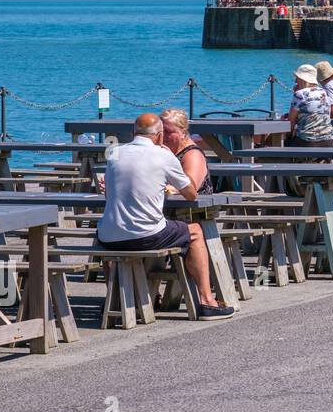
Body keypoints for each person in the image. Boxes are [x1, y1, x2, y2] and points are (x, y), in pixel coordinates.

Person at [97, 114, 233, 320]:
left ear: (134, 133)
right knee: (194, 231)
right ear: (159, 136)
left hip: (107, 237)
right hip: (145, 236)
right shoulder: (163, 156)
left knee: (116, 232)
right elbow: (191, 193)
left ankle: (116, 299)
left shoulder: (115, 153)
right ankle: (207, 301)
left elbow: (109, 194)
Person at [160, 108, 213, 195]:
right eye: (160, 131)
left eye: (168, 132)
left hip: (194, 207)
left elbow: (191, 188)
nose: (162, 135)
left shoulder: (193, 155)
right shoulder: (162, 149)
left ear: (183, 132)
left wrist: (159, 188)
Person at [287, 63, 333, 146]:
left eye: (297, 78)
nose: (295, 81)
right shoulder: (324, 92)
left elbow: (291, 122)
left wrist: (288, 136)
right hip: (330, 141)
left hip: (308, 141)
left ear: (302, 79)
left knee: (284, 144)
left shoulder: (299, 94)